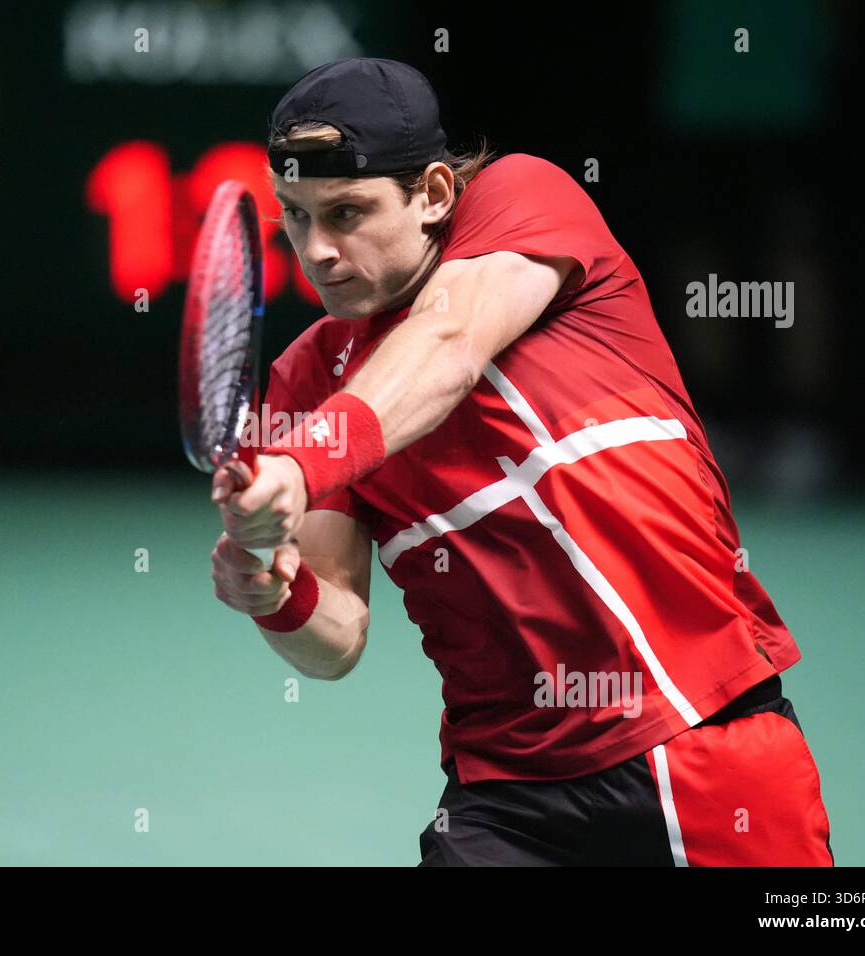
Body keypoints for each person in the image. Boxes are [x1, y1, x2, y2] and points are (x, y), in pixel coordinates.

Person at [209, 57, 833, 866]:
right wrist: (274, 588)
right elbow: (339, 636)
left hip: (700, 739)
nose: (318, 250)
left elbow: (448, 344)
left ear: (434, 193)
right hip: (505, 798)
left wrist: (298, 467)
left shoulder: (523, 203)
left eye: (348, 212)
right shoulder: (302, 379)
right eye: (295, 216)